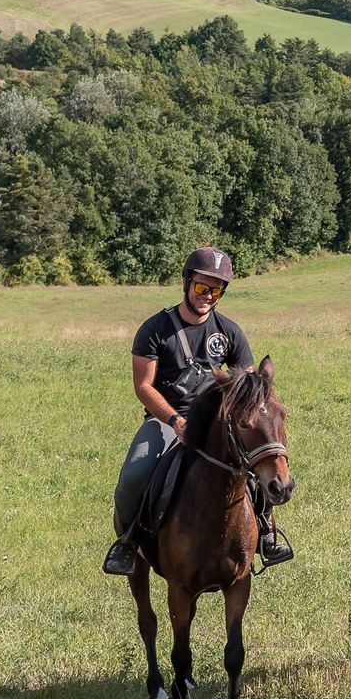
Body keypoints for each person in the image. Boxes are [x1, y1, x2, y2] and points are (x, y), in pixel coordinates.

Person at [104, 246, 291, 575]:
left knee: (257, 465)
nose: (208, 296)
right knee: (135, 474)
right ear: (186, 282)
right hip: (166, 421)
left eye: (216, 290)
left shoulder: (229, 331)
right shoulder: (155, 329)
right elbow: (144, 386)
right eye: (202, 287)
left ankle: (266, 533)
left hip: (216, 425)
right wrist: (175, 420)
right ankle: (128, 542)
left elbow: (246, 385)